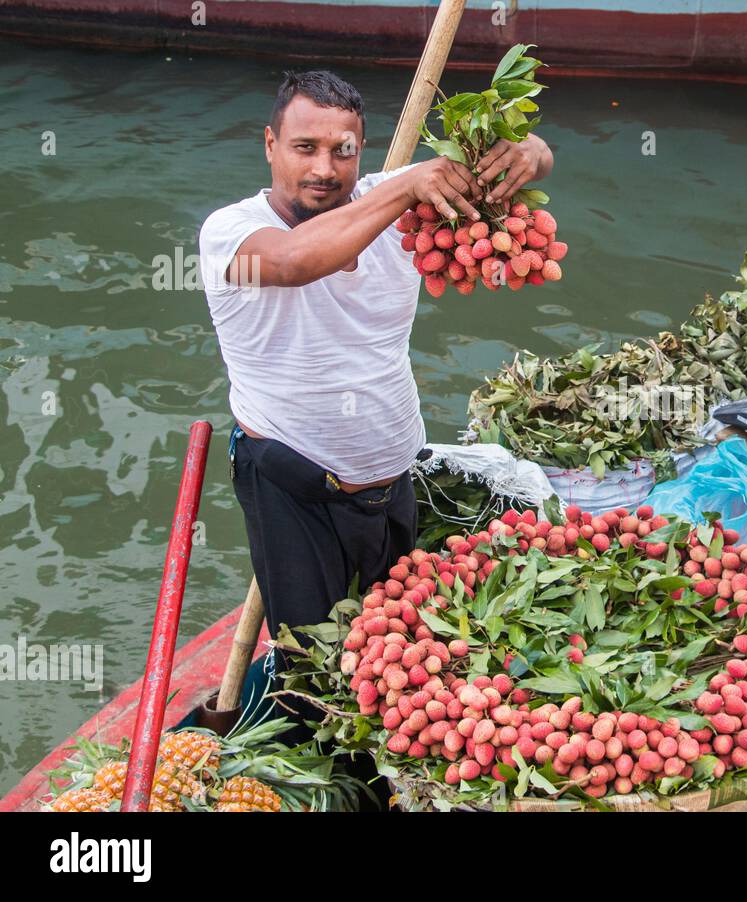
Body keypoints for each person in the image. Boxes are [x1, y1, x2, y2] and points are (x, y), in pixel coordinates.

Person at [198, 70, 553, 746]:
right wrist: (406, 186)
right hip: (293, 492)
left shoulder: (394, 205)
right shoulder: (231, 236)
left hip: (391, 484)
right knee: (315, 677)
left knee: (397, 661)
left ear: (363, 152)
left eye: (343, 151)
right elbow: (300, 261)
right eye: (304, 147)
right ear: (269, 144)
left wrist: (523, 157)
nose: (324, 169)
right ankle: (317, 763)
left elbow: (535, 152)